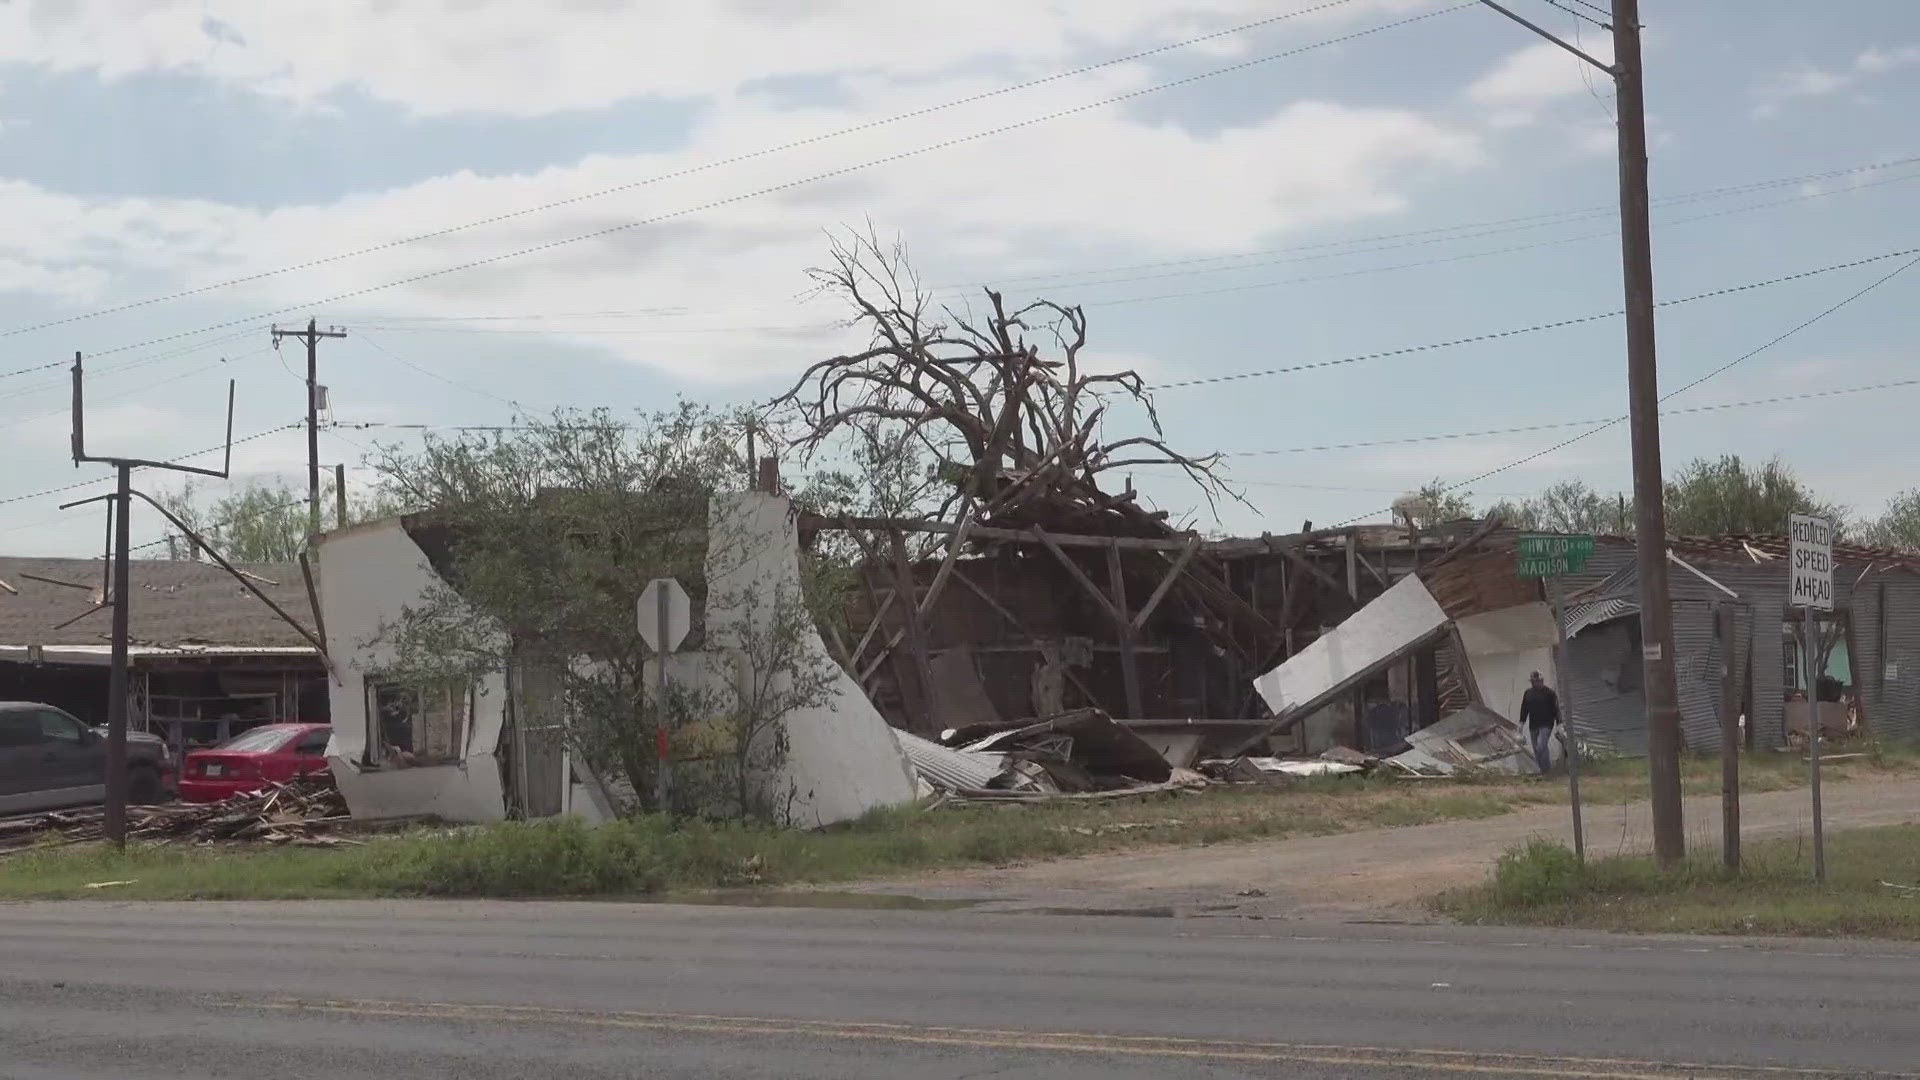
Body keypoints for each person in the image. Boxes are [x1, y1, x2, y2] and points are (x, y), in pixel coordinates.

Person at [1519, 670, 1560, 774]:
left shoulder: (1550, 693)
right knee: (1537, 749)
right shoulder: (1528, 693)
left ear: (1541, 681)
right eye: (1533, 681)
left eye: (1537, 681)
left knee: (1541, 746)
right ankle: (1541, 770)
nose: (1534, 683)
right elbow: (1524, 709)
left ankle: (1546, 770)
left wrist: (1559, 723)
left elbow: (1556, 709)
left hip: (1546, 724)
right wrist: (1521, 723)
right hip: (1533, 725)